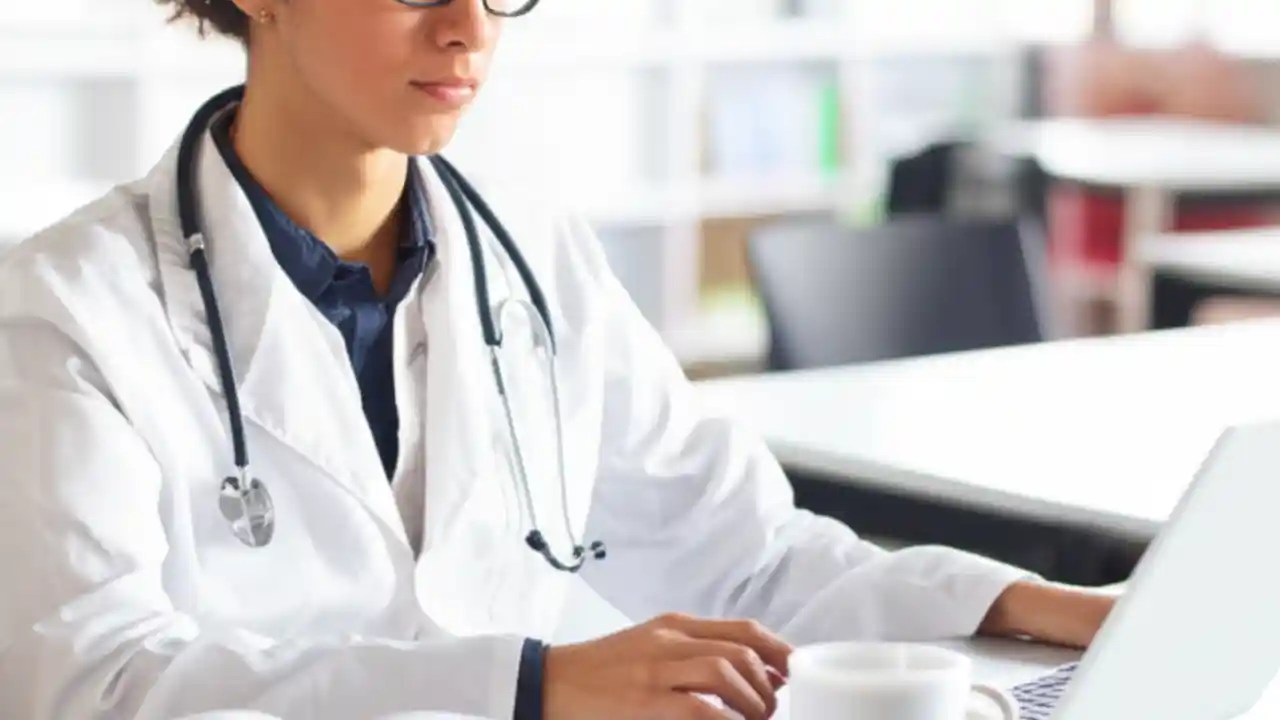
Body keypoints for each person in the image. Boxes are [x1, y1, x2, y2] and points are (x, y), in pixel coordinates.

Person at [0, 1, 1115, 718]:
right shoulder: (69, 310)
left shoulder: (526, 255)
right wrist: (529, 684)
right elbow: (93, 684)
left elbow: (741, 558)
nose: (468, 29)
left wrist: (1031, 603)